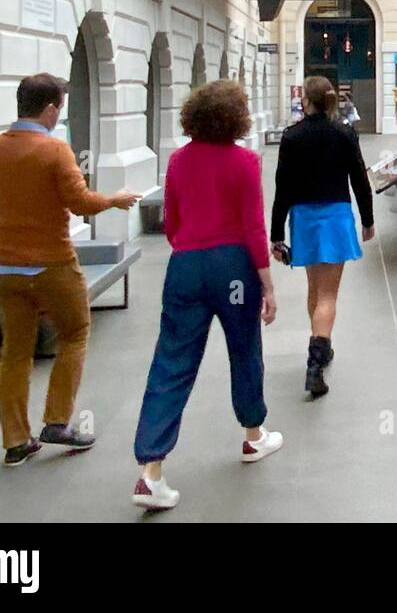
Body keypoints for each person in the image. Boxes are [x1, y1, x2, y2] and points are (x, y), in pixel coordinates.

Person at [0, 73, 140, 467]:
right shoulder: (55, 151)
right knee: (74, 333)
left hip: (6, 266)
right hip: (53, 263)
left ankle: (15, 440)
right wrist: (114, 199)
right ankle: (57, 421)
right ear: (48, 108)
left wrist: (12, 202)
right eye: (58, 108)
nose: (58, 115)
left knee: (15, 351)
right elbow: (80, 203)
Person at [131, 80, 281, 511]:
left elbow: (172, 221)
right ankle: (253, 435)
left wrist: (191, 249)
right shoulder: (245, 162)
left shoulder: (178, 161)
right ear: (236, 117)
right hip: (233, 268)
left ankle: (151, 469)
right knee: (244, 348)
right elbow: (253, 227)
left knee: (172, 360)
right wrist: (267, 285)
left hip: (186, 266)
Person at [270, 75, 375, 399]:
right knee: (329, 295)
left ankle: (319, 343)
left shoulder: (292, 137)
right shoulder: (344, 133)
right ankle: (316, 359)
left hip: (304, 219)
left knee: (314, 288)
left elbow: (283, 188)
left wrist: (276, 234)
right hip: (336, 217)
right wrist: (368, 221)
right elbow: (359, 178)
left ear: (306, 100)